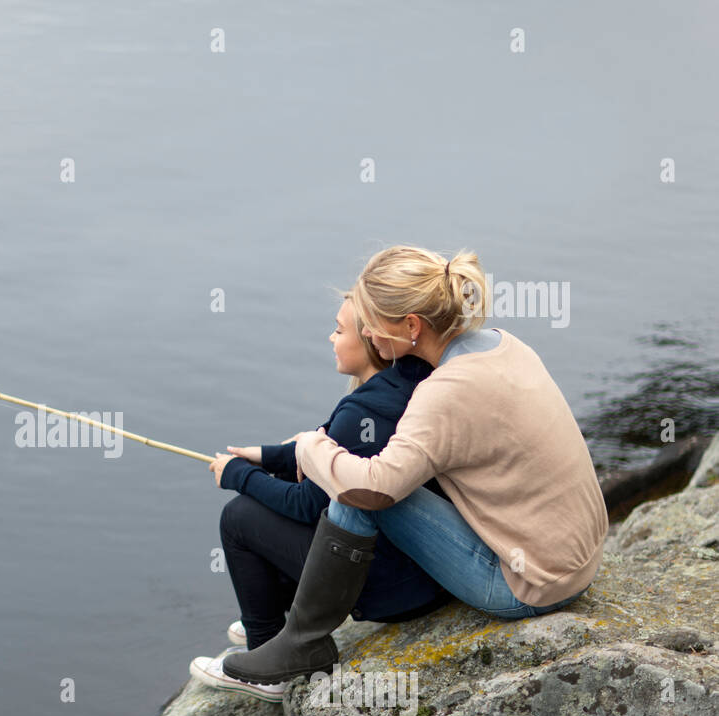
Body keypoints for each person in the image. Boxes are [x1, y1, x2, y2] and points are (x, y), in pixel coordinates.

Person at [223, 245, 609, 686]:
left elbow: (374, 489)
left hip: (528, 586)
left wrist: (311, 446)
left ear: (411, 325)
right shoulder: (505, 345)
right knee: (366, 474)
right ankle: (299, 631)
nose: (366, 331)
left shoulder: (445, 390)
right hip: (577, 560)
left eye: (371, 321)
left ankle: (303, 641)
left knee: (364, 489)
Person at [194, 291, 452, 701]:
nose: (331, 338)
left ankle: (265, 658)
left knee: (240, 517)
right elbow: (325, 442)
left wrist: (239, 475)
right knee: (269, 508)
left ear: (370, 340)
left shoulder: (359, 413)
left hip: (388, 592)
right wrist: (268, 457)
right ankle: (273, 618)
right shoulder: (411, 383)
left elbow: (306, 504)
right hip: (431, 575)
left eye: (338, 329)